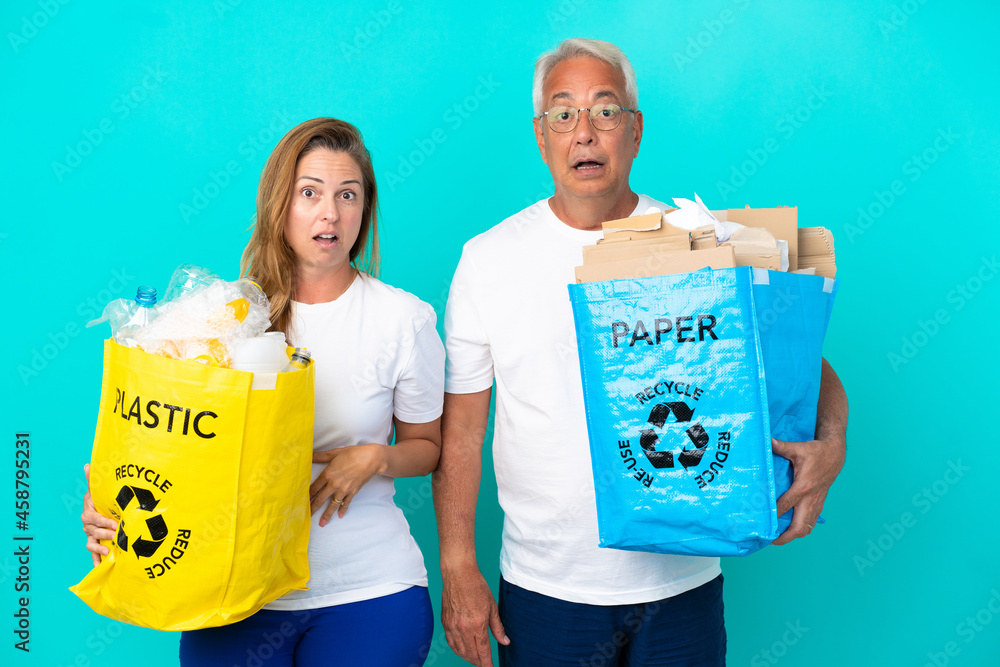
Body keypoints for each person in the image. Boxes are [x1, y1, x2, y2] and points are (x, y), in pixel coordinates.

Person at [433, 38, 849, 666]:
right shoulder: (488, 260)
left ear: (634, 131)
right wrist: (459, 564)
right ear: (541, 136)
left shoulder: (701, 248)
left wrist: (832, 443)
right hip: (547, 589)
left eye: (605, 111)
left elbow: (807, 365)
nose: (585, 132)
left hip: (680, 584)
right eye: (563, 113)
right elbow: (462, 429)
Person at [81, 117, 445, 666]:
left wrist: (377, 457)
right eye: (310, 193)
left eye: (348, 195)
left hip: (369, 590)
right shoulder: (218, 320)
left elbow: (428, 447)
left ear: (364, 209)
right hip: (233, 592)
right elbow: (165, 444)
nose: (331, 213)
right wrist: (110, 500)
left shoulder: (403, 318)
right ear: (281, 205)